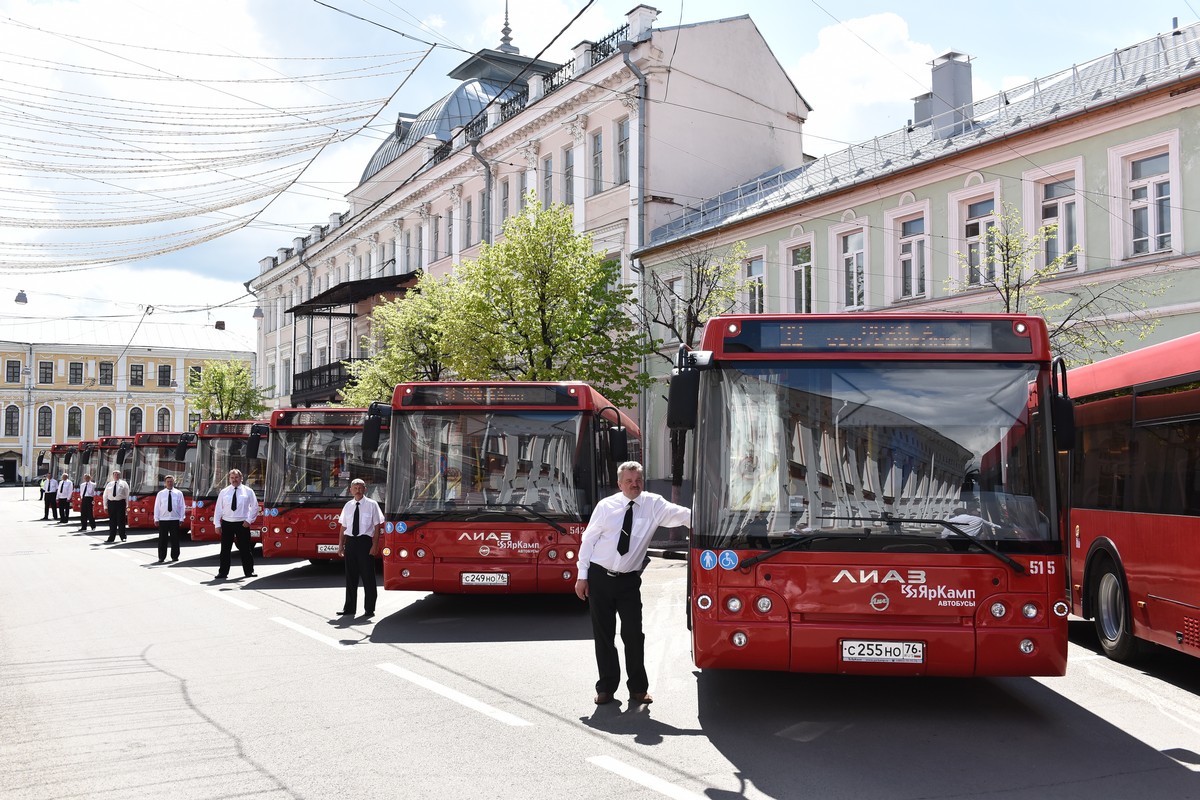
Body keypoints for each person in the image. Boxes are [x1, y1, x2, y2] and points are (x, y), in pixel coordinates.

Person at [575, 461, 691, 707]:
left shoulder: (654, 504)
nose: (634, 485)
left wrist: (712, 521)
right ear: (619, 484)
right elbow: (588, 541)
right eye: (628, 481)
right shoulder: (606, 507)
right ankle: (606, 688)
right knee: (604, 635)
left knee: (633, 635)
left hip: (628, 581)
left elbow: (684, 515)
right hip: (599, 577)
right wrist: (581, 576)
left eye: (638, 480)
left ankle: (638, 689)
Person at [336, 478, 383, 618]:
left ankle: (369, 609)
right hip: (350, 542)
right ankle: (349, 608)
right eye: (355, 488)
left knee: (368, 577)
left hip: (365, 542)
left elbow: (377, 526)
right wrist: (341, 546)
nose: (358, 490)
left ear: (365, 489)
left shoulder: (372, 504)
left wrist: (375, 545)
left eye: (360, 487)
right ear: (350, 490)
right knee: (350, 576)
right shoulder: (348, 506)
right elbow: (343, 527)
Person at [213, 468, 258, 580]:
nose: (234, 480)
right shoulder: (224, 492)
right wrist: (217, 524)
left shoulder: (248, 491)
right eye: (232, 478)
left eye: (236, 477)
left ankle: (249, 571)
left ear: (241, 478)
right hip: (227, 523)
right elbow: (218, 509)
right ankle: (223, 572)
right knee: (225, 549)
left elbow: (255, 507)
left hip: (242, 524)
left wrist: (249, 520)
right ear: (229, 479)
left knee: (245, 549)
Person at [153, 475, 186, 563]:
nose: (170, 483)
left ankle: (175, 556)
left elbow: (182, 506)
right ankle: (161, 557)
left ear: (173, 482)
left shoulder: (178, 493)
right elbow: (157, 506)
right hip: (163, 519)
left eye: (171, 481)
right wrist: (156, 518)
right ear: (165, 483)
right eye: (168, 482)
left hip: (174, 519)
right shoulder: (161, 494)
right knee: (162, 539)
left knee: (175, 539)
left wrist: (181, 518)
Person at [102, 470, 130, 543]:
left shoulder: (124, 484)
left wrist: (127, 505)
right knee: (112, 521)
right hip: (111, 503)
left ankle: (123, 537)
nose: (116, 476)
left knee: (121, 521)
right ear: (113, 476)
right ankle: (111, 537)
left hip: (120, 503)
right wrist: (105, 506)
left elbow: (127, 495)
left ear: (120, 475)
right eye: (115, 474)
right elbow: (105, 495)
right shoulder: (109, 484)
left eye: (118, 475)